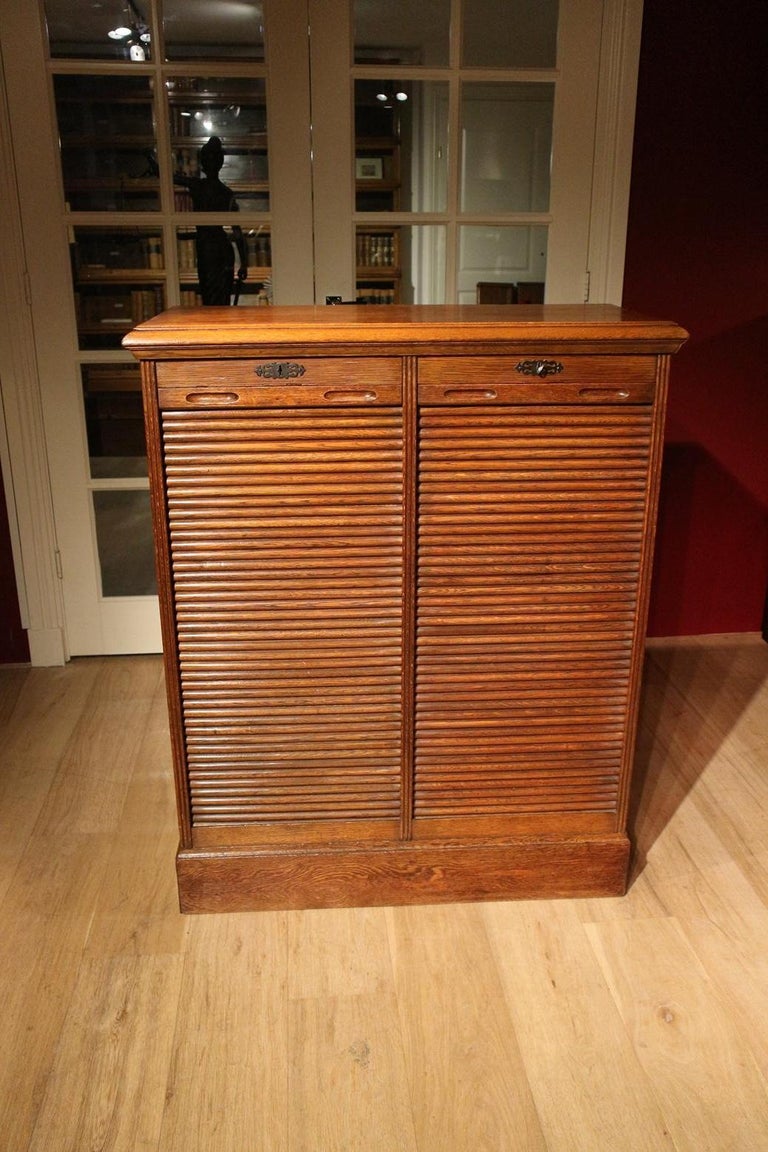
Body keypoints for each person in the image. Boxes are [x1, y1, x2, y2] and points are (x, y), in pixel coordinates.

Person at [175, 136, 247, 305]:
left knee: (214, 298)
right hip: (214, 248)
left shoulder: (201, 186)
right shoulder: (221, 191)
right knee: (216, 299)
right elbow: (237, 232)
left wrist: (244, 264)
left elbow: (237, 231)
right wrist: (244, 263)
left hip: (211, 249)